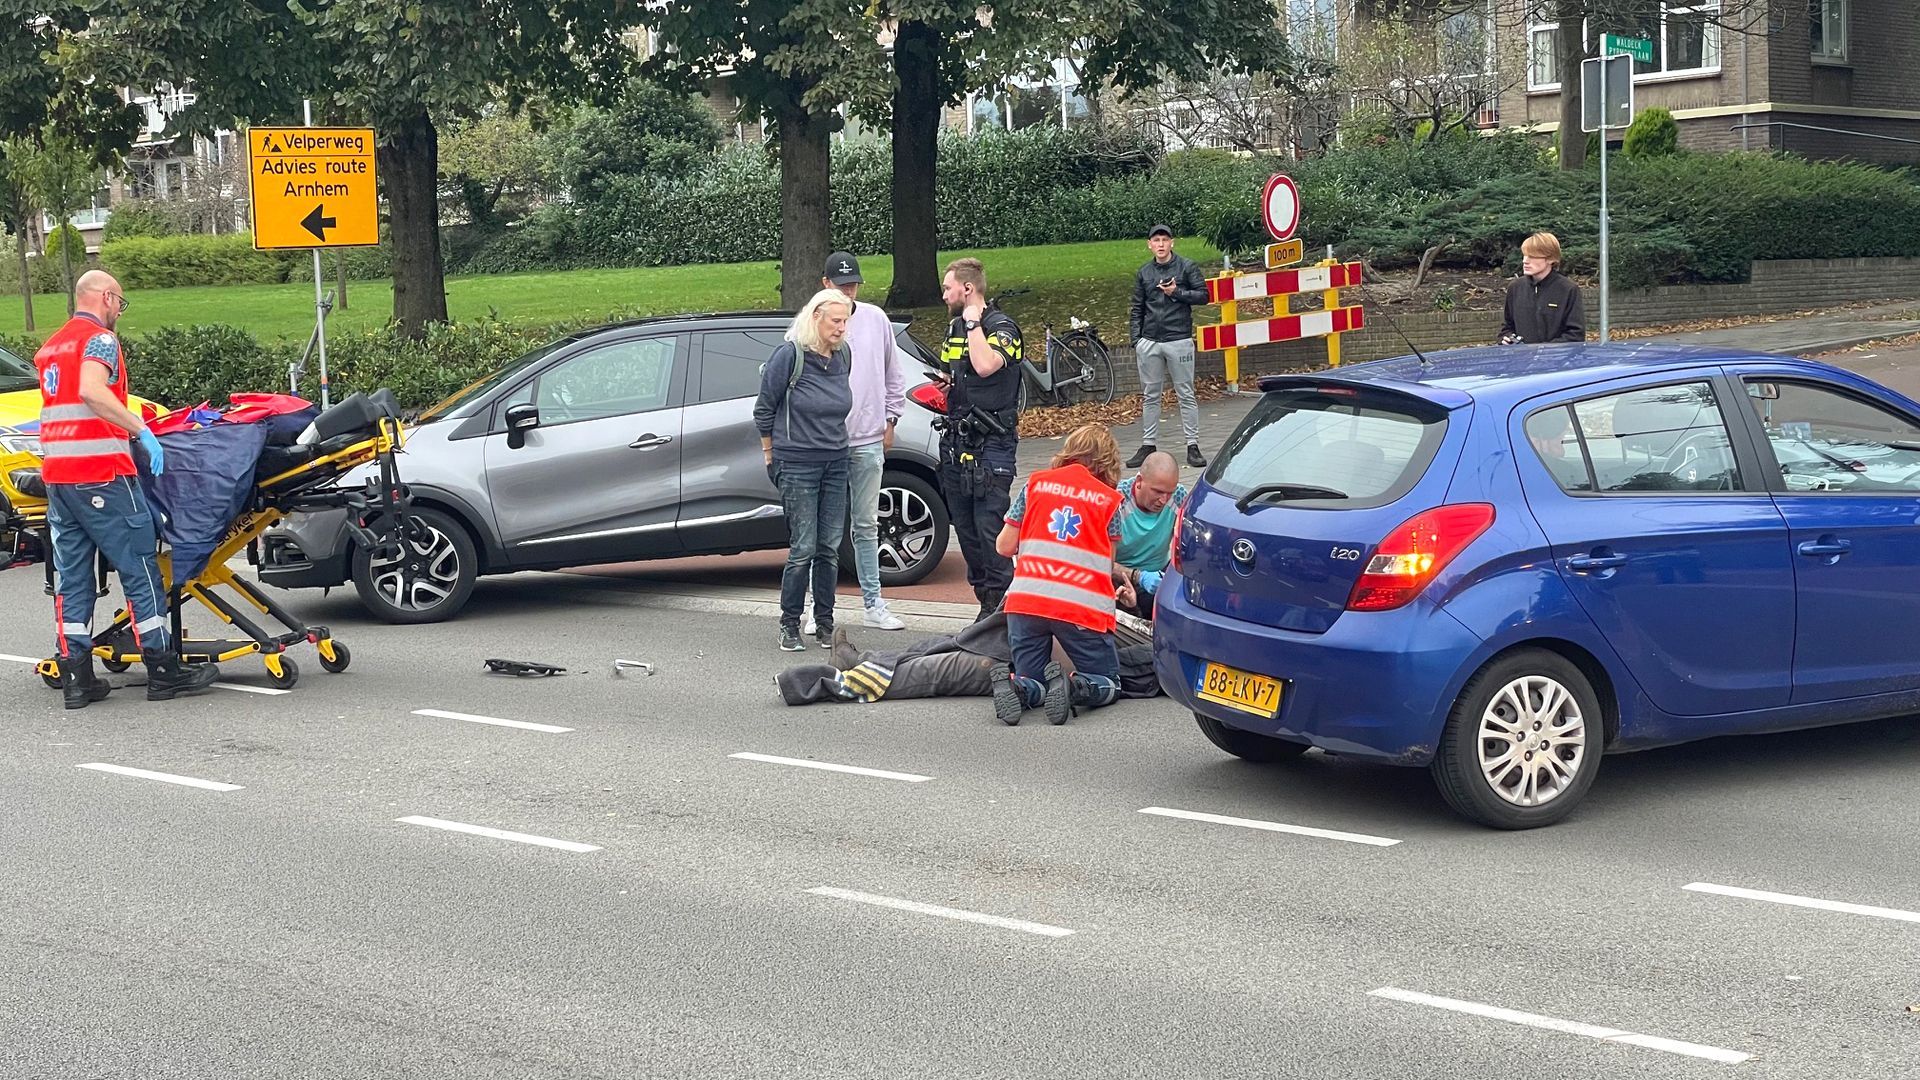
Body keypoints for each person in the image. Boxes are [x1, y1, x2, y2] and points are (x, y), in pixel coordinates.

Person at [34, 269, 219, 708]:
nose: (120, 310)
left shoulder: (52, 346)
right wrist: (141, 431)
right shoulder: (99, 340)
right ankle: (163, 670)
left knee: (74, 578)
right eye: (120, 302)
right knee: (141, 570)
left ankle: (77, 678)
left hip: (60, 479)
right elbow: (92, 391)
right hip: (103, 475)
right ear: (105, 297)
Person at [991, 424, 1132, 726]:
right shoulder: (1108, 500)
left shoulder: (1035, 485)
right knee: (1109, 682)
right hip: (1080, 609)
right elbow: (1107, 564)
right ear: (1106, 461)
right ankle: (1077, 686)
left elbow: (1004, 546)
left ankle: (1018, 688)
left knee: (1035, 679)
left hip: (1026, 602)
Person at [774, 612, 1163, 707]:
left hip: (1027, 660)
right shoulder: (1154, 629)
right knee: (946, 645)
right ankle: (858, 660)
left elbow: (1122, 665)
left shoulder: (1159, 650)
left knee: (935, 670)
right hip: (1028, 635)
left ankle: (816, 681)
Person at [755, 289, 854, 653]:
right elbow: (763, 409)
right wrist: (770, 455)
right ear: (816, 317)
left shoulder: (843, 355)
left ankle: (825, 623)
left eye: (846, 321)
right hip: (796, 462)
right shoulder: (790, 356)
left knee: (829, 547)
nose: (842, 329)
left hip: (835, 459)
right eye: (836, 321)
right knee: (804, 547)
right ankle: (789, 623)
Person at [819, 251, 906, 631]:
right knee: (824, 528)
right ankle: (818, 609)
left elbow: (892, 371)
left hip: (868, 436)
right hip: (828, 442)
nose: (848, 291)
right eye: (841, 286)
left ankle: (873, 603)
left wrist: (891, 419)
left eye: (853, 284)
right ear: (826, 286)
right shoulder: (813, 322)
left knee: (867, 524)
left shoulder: (875, 319)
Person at [936, 257, 1023, 623]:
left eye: (948, 287)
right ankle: (986, 606)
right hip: (957, 443)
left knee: (990, 532)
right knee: (968, 533)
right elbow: (951, 371)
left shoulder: (1002, 328)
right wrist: (944, 384)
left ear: (967, 289)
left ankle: (1005, 613)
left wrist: (974, 322)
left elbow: (987, 366)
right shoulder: (955, 328)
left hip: (992, 447)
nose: (943, 295)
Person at [1128, 224, 1209, 470]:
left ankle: (1192, 445)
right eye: (1156, 240)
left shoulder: (1187, 267)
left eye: (1165, 239)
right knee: (1150, 395)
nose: (1161, 244)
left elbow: (1203, 296)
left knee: (1186, 393)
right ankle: (1148, 444)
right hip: (1150, 341)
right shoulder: (1144, 272)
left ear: (1172, 242)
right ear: (1149, 244)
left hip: (1178, 339)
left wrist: (1177, 292)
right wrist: (1137, 340)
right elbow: (1137, 308)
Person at [1112, 451, 1187, 619]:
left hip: (1160, 574)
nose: (1164, 500)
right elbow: (1100, 561)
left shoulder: (1179, 496)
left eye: (1169, 493)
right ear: (1139, 482)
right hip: (1122, 579)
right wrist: (1138, 576)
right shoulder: (1118, 502)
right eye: (1158, 492)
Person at [1500, 232, 1586, 344]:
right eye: (1524, 255)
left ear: (1550, 259)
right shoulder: (1515, 287)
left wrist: (1543, 351)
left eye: (1532, 256)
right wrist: (1507, 338)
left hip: (1556, 359)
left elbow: (1576, 335)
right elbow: (1507, 327)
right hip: (1521, 359)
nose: (1525, 261)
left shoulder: (1568, 289)